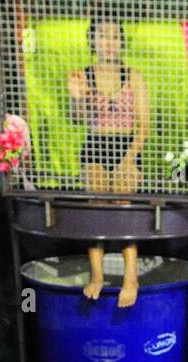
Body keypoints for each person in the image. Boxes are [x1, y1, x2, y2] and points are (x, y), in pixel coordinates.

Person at [68, 17, 151, 308]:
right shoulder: (83, 75)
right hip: (95, 144)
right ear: (92, 41)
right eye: (102, 36)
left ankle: (131, 277)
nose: (109, 43)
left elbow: (144, 126)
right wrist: (77, 98)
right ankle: (98, 274)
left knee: (123, 201)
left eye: (115, 37)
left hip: (126, 144)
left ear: (121, 42)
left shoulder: (133, 76)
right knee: (98, 202)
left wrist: (128, 159)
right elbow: (77, 119)